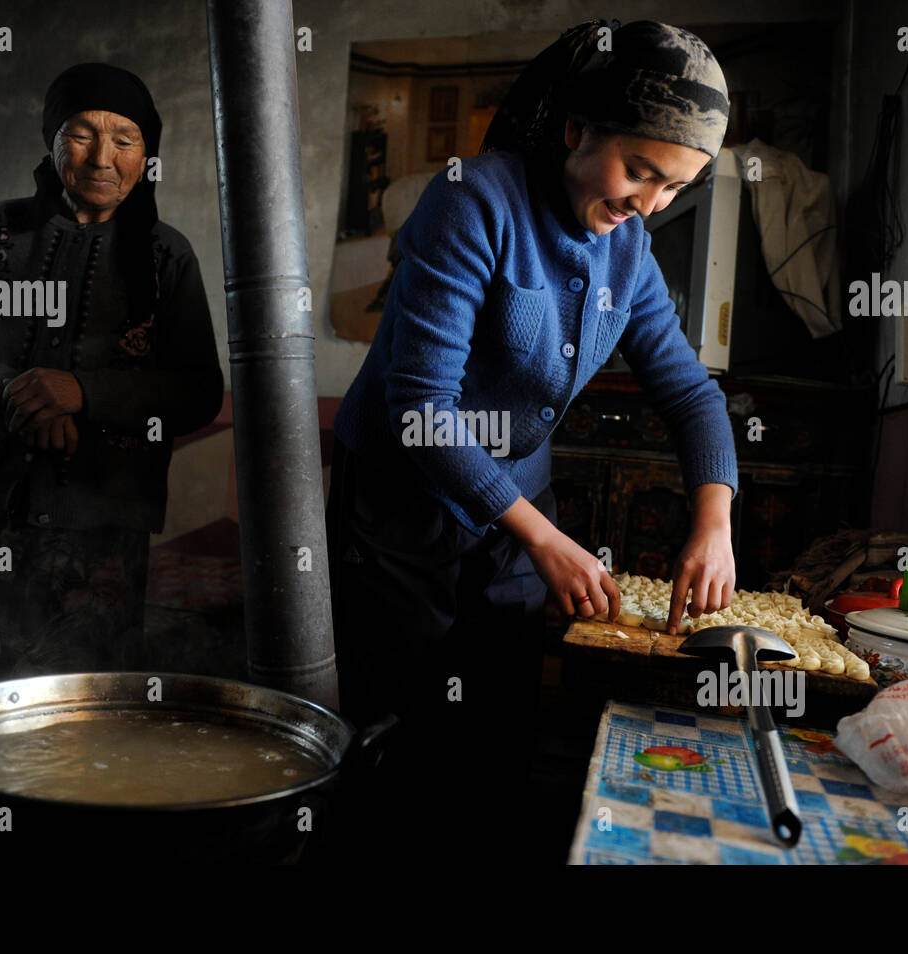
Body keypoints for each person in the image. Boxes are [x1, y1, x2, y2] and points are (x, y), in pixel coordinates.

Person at [327, 21, 738, 855]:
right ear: (575, 130)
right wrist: (546, 538)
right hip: (402, 512)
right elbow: (420, 408)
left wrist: (714, 519)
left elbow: (690, 392)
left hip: (517, 521)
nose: (647, 204)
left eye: (674, 187)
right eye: (639, 172)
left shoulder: (630, 253)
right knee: (397, 745)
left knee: (497, 733)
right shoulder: (474, 201)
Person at [0, 63, 223, 676]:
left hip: (100, 522)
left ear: (147, 155)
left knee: (92, 697)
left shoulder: (164, 256)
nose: (102, 158)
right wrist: (8, 393)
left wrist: (83, 393)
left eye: (125, 140)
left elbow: (198, 390)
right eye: (81, 134)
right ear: (51, 141)